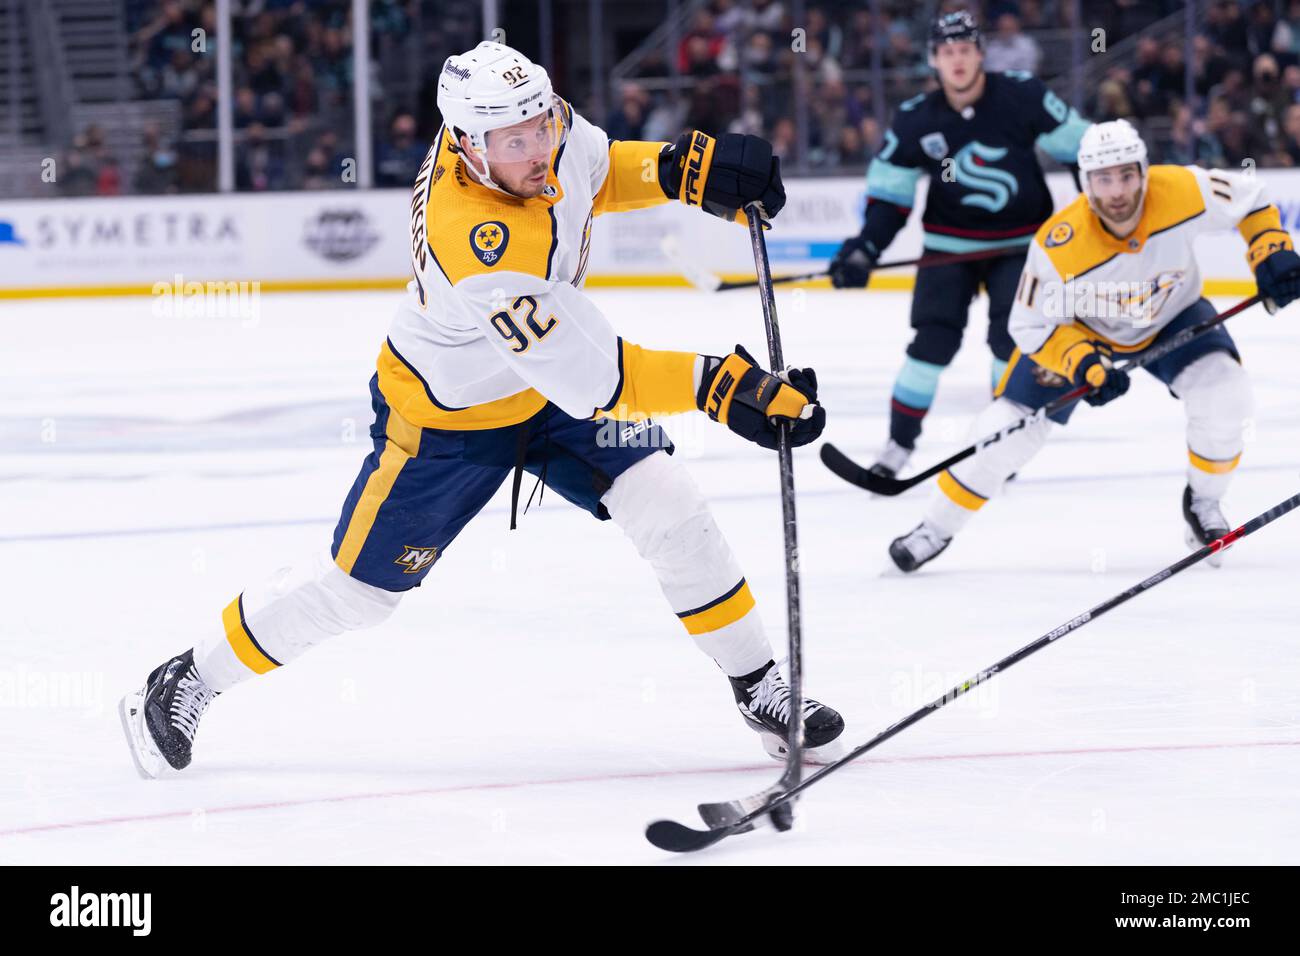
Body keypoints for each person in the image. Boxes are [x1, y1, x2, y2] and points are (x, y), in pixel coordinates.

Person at [120, 42, 844, 776]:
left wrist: (681, 171)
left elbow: (594, 168)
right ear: (468, 145)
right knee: (358, 595)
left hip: (547, 390)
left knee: (666, 497)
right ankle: (191, 676)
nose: (539, 149)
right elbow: (600, 379)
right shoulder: (480, 242)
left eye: (542, 126)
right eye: (517, 141)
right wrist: (722, 388)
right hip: (449, 419)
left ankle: (758, 685)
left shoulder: (536, 127)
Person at [887, 119, 1300, 572]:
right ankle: (935, 528)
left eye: (1127, 175)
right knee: (1002, 433)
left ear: (1144, 170)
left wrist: (1270, 248)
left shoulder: (1183, 188)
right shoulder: (1059, 244)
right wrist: (1082, 361)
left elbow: (1251, 198)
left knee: (1228, 397)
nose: (1118, 191)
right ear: (1086, 183)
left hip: (1172, 315)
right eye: (1104, 180)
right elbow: (1031, 326)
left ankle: (1203, 502)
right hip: (1085, 335)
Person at [828, 10, 1088, 481]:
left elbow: (1082, 150)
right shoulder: (914, 120)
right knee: (932, 342)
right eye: (947, 53)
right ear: (934, 61)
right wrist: (865, 247)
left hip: (1021, 247)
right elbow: (889, 197)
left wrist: (1098, 216)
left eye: (966, 50)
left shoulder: (1023, 96)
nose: (958, 61)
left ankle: (1000, 444)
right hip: (949, 247)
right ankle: (897, 446)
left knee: (1009, 343)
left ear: (981, 54)